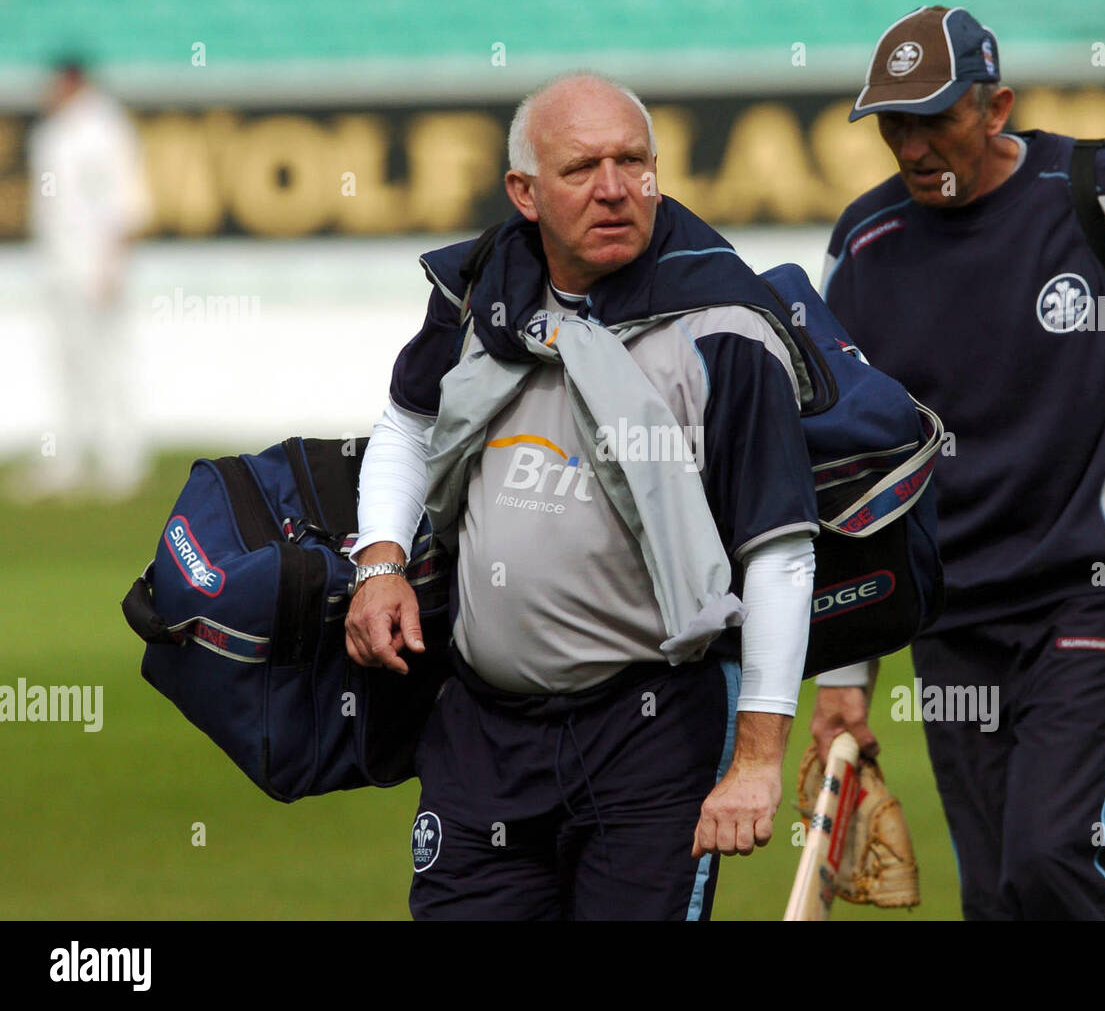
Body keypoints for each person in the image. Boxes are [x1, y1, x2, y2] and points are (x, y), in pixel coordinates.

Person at [812, 6, 1105, 920]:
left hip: (1090, 589)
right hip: (952, 622)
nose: (911, 147)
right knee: (995, 900)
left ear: (997, 108)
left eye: (933, 118)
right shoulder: (862, 249)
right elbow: (851, 476)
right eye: (893, 124)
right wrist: (842, 680)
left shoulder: (1101, 196)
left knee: (1047, 861)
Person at [344, 72, 820, 920]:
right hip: (481, 730)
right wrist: (379, 559)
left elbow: (779, 552)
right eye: (582, 168)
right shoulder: (478, 291)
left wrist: (756, 760)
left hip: (650, 731)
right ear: (523, 192)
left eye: (633, 162)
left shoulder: (725, 328)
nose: (614, 189)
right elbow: (409, 422)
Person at [18, 58, 152, 500]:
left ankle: (122, 461)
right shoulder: (54, 131)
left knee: (108, 362)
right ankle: (67, 461)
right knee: (66, 363)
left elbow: (126, 200)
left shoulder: (105, 127)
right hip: (58, 265)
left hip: (96, 265)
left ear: (72, 81)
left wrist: (111, 265)